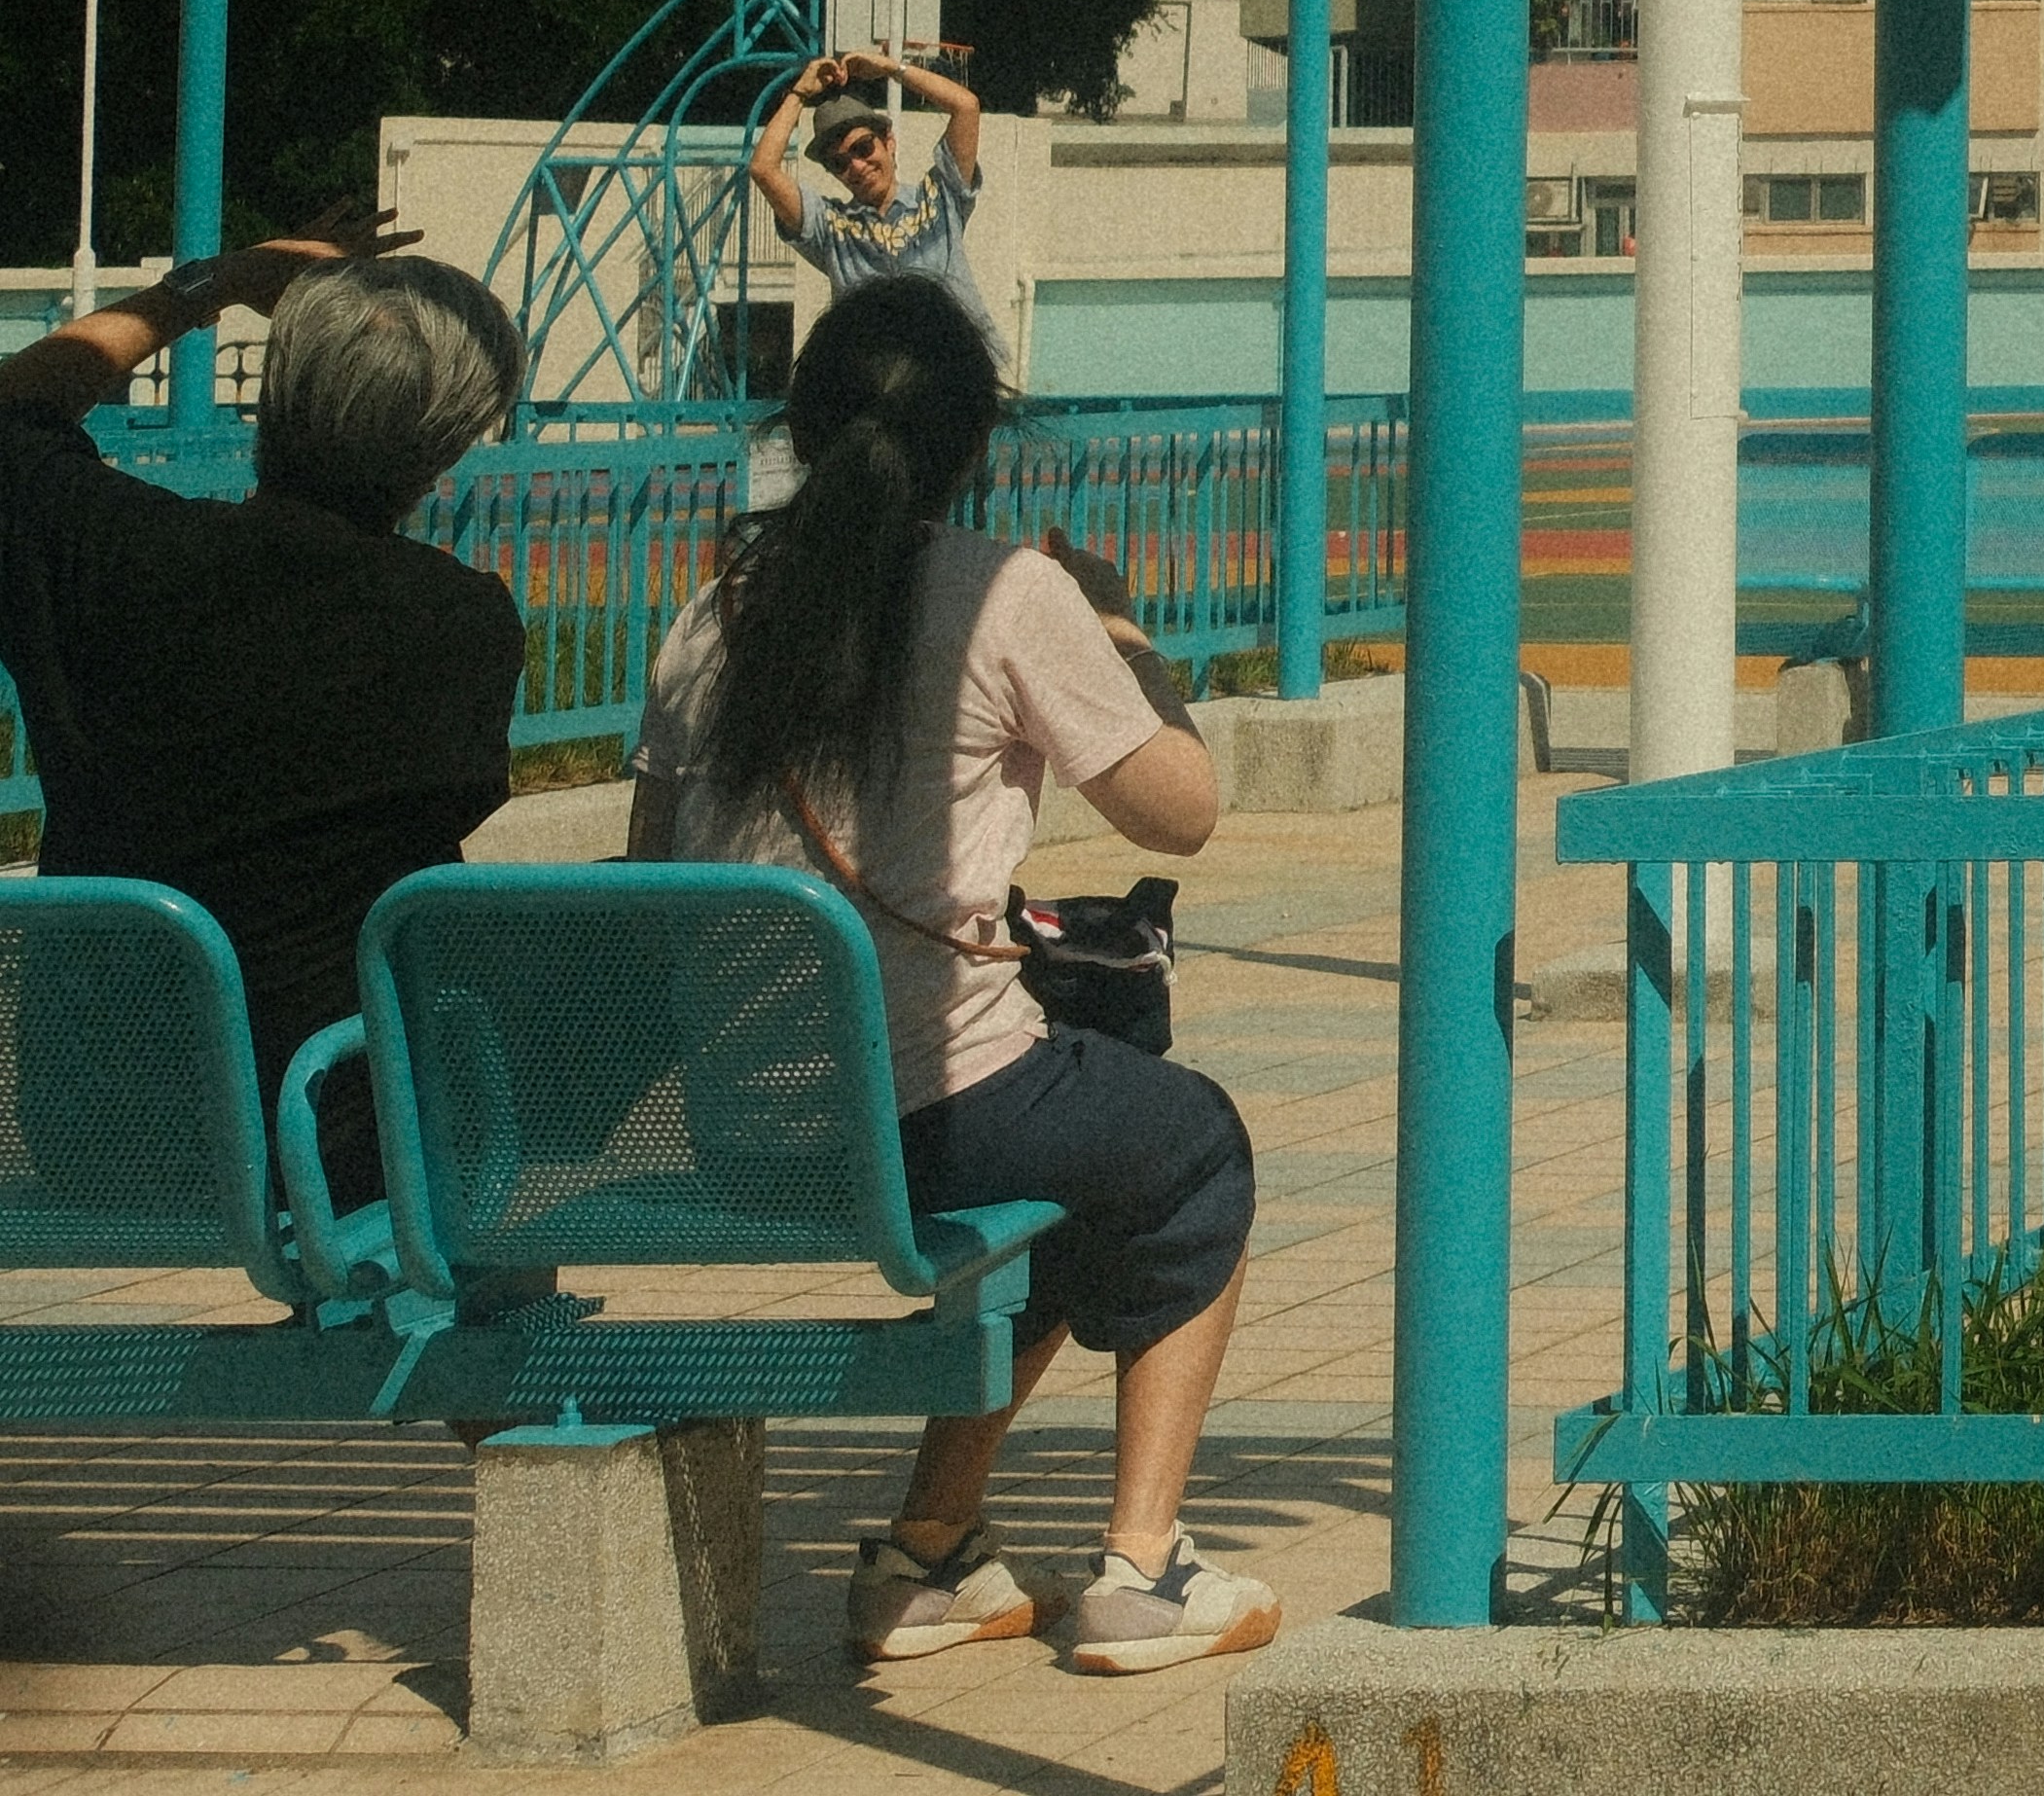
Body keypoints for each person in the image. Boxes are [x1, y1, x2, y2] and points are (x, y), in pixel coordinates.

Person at [629, 276, 1272, 1680]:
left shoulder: (711, 614)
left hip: (750, 1130)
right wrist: (1126, 648)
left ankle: (932, 1552)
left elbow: (650, 881)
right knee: (1191, 1144)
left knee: (1075, 1132)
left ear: (803, 427)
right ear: (975, 442)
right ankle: (1145, 1568)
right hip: (928, 1114)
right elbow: (1185, 813)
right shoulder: (1007, 591)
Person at [0, 217, 529, 1156]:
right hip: (328, 1134)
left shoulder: (103, 551)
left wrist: (207, 288)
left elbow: (14, 412)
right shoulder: (459, 623)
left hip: (92, 1122)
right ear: (443, 451)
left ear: (270, 400)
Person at [750, 45, 991, 306]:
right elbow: (763, 169)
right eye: (839, 163)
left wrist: (891, 68)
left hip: (953, 347)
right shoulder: (830, 228)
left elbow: (966, 106)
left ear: (889, 142)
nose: (856, 165)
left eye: (863, 148)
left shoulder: (939, 198)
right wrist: (799, 93)